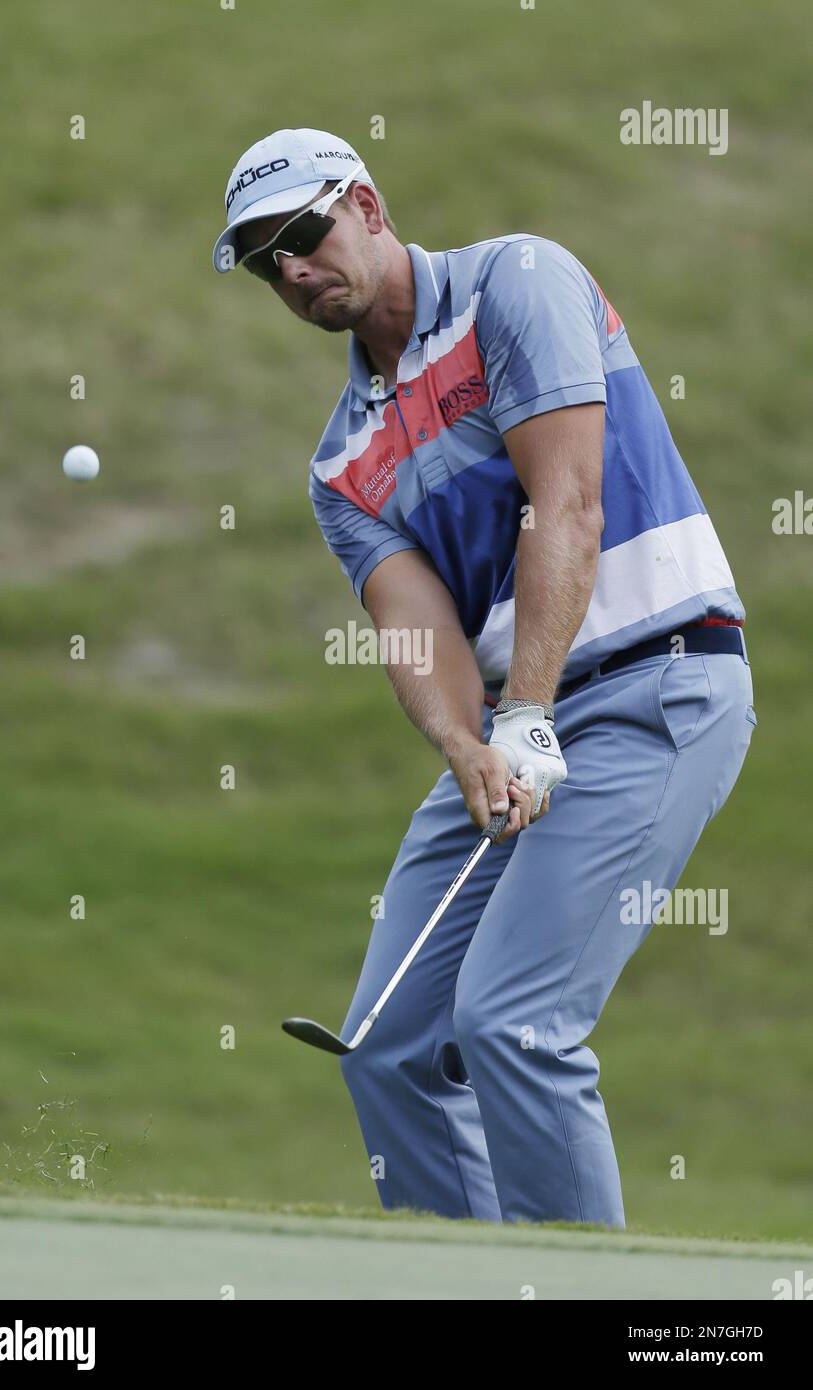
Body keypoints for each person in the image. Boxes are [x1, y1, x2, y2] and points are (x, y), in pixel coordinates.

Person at [213, 128, 756, 1226]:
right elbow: (416, 634)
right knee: (385, 1048)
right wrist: (467, 747)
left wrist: (525, 718)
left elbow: (564, 504)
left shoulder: (518, 282)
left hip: (659, 687)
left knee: (511, 1023)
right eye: (267, 260)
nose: (293, 269)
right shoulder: (339, 463)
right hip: (520, 719)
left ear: (364, 203)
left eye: (302, 236)